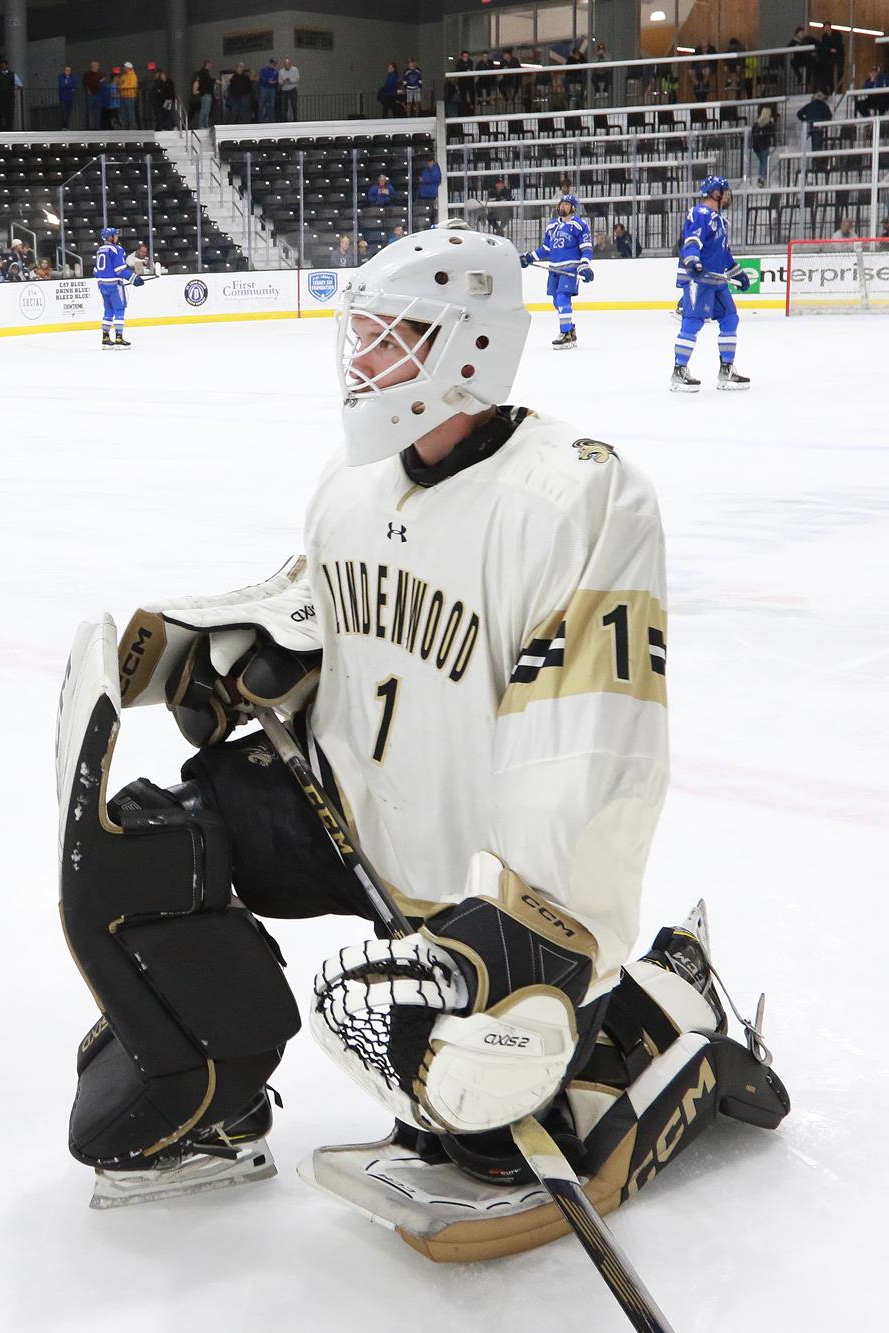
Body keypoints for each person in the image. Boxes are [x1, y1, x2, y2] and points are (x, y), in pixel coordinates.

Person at [55, 217, 788, 1234]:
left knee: (486, 1140)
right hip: (352, 815)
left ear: (466, 348)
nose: (358, 360)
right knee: (153, 847)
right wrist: (244, 651)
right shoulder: (349, 477)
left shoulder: (575, 494)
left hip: (481, 875)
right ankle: (212, 1103)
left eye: (385, 335)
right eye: (358, 334)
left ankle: (667, 1017)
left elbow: (589, 736)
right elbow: (325, 602)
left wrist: (543, 935)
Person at [672, 175, 751, 392]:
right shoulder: (700, 213)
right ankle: (678, 371)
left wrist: (738, 273)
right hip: (698, 279)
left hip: (716, 280)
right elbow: (692, 240)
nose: (728, 195)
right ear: (716, 193)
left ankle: (726, 370)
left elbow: (723, 254)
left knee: (730, 318)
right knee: (692, 322)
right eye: (725, 191)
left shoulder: (721, 221)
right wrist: (692, 260)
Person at [523, 192, 593, 348]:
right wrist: (530, 257)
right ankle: (571, 329)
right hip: (554, 269)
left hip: (570, 268)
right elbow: (546, 248)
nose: (563, 206)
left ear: (573, 208)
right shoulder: (552, 225)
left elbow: (586, 248)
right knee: (556, 301)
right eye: (562, 204)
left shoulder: (579, 225)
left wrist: (585, 266)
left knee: (562, 298)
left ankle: (565, 334)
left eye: (567, 204)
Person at [93, 226, 141, 348]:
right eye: (115, 235)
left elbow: (95, 270)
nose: (117, 237)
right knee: (119, 310)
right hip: (114, 285)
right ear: (110, 237)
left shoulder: (100, 250)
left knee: (108, 311)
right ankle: (119, 339)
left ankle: (105, 338)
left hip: (102, 285)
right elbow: (120, 270)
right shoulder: (117, 249)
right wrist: (134, 278)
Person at [750, 105, 776, 186]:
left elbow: (753, 134)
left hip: (756, 146)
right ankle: (762, 179)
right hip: (764, 145)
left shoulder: (756, 124)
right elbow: (772, 134)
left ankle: (760, 177)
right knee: (765, 162)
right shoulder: (768, 123)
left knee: (761, 162)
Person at [0, 60, 18, 131]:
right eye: (2, 65)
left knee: (9, 114)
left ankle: (9, 129)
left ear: (7, 66)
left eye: (4, 65)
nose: (3, 66)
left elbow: (19, 84)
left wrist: (15, 91)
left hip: (9, 97)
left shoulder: (13, 74)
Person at [190, 60, 215, 130]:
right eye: (210, 64)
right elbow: (195, 91)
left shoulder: (204, 75)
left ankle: (205, 124)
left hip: (206, 94)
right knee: (204, 110)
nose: (211, 66)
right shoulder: (202, 74)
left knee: (207, 110)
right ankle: (201, 125)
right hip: (205, 94)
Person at [118, 60, 140, 129]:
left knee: (130, 112)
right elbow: (119, 83)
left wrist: (122, 86)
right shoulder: (123, 76)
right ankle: (125, 127)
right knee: (124, 113)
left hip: (130, 96)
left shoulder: (133, 76)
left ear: (128, 68)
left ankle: (132, 127)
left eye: (125, 67)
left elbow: (131, 85)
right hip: (123, 96)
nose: (123, 68)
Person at [277, 57, 300, 121]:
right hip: (284, 90)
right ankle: (284, 120)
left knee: (294, 106)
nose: (287, 66)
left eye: (288, 64)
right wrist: (283, 81)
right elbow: (279, 81)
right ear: (283, 65)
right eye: (285, 65)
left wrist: (290, 80)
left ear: (290, 64)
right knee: (284, 107)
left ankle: (295, 120)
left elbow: (297, 79)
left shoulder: (295, 69)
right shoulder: (281, 71)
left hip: (293, 90)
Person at [257, 58, 279, 122]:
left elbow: (276, 79)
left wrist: (275, 82)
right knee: (262, 104)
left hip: (272, 89)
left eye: (275, 64)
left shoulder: (275, 71)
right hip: (264, 88)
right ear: (270, 63)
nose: (273, 65)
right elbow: (262, 78)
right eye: (272, 64)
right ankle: (261, 120)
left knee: (272, 105)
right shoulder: (263, 70)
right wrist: (268, 81)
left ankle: (271, 119)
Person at [82, 61, 102, 129]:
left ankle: (97, 127)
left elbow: (101, 82)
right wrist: (87, 90)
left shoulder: (99, 74)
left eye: (97, 66)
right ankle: (89, 127)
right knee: (89, 112)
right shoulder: (87, 74)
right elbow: (85, 83)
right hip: (90, 95)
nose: (96, 68)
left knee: (97, 112)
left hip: (97, 94)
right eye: (95, 66)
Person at [58, 64, 79, 129]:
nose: (68, 71)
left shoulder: (73, 77)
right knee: (64, 112)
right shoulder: (60, 76)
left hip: (70, 97)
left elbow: (75, 84)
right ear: (64, 71)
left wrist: (68, 83)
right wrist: (69, 85)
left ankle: (66, 126)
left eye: (69, 70)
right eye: (66, 70)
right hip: (63, 97)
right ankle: (64, 126)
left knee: (68, 113)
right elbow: (62, 85)